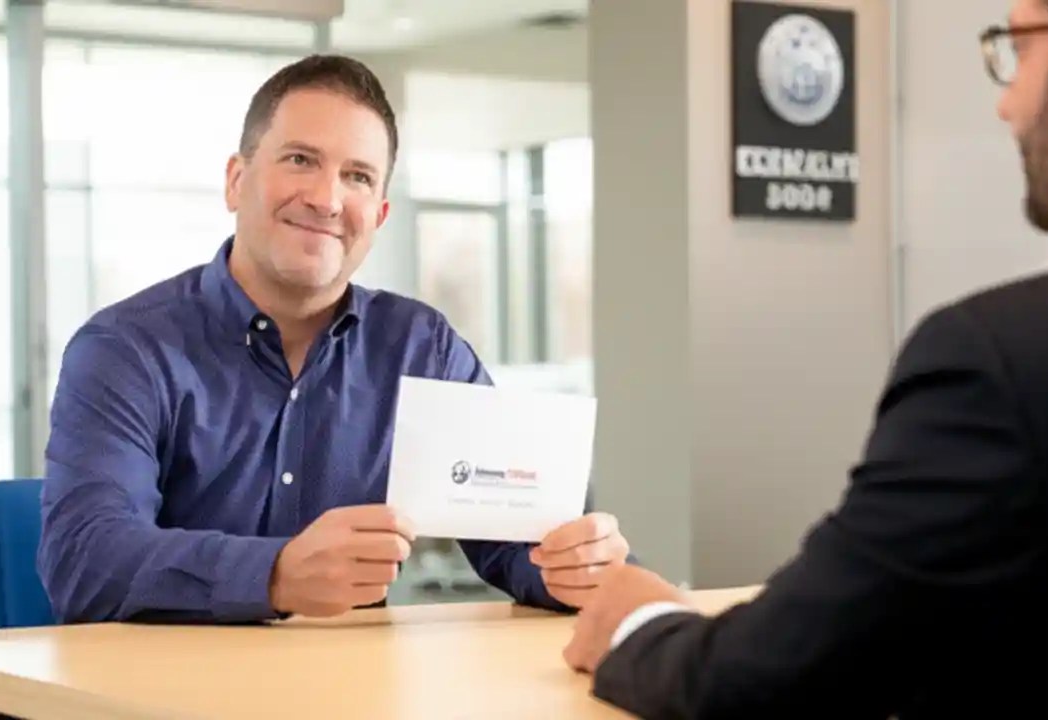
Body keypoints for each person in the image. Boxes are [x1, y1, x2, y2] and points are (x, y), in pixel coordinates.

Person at [562, 1, 1048, 717]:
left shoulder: (1005, 362)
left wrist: (640, 619)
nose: (1005, 104)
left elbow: (773, 683)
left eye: (1017, 49)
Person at [37, 54, 631, 625]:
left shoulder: (423, 349)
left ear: (378, 213)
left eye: (358, 177)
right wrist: (274, 575)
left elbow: (512, 540)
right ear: (236, 182)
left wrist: (569, 565)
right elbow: (84, 561)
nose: (326, 199)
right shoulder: (124, 349)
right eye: (300, 160)